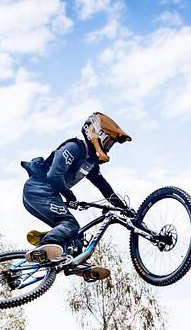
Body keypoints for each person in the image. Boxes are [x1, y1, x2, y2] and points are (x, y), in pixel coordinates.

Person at [20, 112, 132, 267]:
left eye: (110, 145)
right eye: (107, 142)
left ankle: (75, 263)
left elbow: (105, 188)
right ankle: (43, 247)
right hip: (38, 189)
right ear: (94, 134)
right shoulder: (74, 148)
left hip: (45, 194)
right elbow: (54, 175)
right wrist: (71, 197)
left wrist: (125, 209)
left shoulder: (90, 163)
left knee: (75, 233)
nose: (108, 148)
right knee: (70, 224)